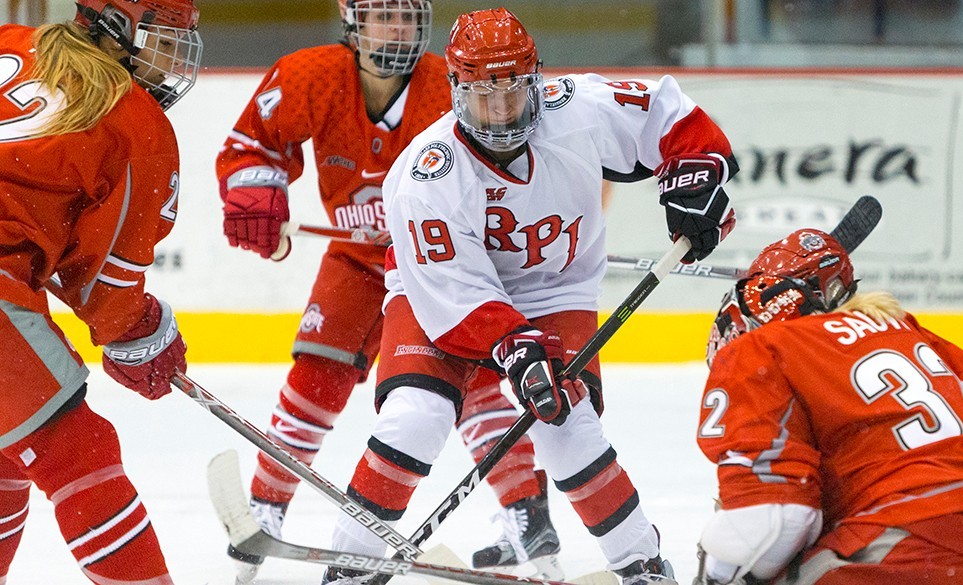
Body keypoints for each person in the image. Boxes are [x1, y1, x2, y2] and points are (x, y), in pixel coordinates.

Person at [320, 7, 738, 585]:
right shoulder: (425, 176)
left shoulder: (578, 109)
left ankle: (642, 563)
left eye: (513, 91)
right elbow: (455, 291)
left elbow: (668, 115)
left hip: (554, 291)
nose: (500, 111)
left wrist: (695, 172)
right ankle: (350, 564)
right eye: (482, 96)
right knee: (415, 417)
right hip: (440, 300)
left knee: (568, 427)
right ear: (456, 90)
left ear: (535, 79)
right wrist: (516, 347)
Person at [215, 1, 564, 581]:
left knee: (476, 381)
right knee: (317, 376)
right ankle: (266, 507)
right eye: (384, 15)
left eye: (407, 15)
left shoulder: (448, 87)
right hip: (356, 260)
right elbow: (254, 143)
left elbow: (505, 166)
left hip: (439, 262)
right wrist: (256, 191)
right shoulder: (311, 76)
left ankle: (527, 514)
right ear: (353, 21)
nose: (398, 29)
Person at [0, 1, 201, 583]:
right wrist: (141, 330)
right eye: (165, 40)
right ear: (117, 30)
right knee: (76, 451)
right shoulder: (132, 115)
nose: (174, 60)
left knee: (11, 443)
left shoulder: (11, 40)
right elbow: (106, 287)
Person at [693, 228, 963, 584]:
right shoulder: (900, 329)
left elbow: (773, 521)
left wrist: (716, 576)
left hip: (913, 537)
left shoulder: (760, 349)